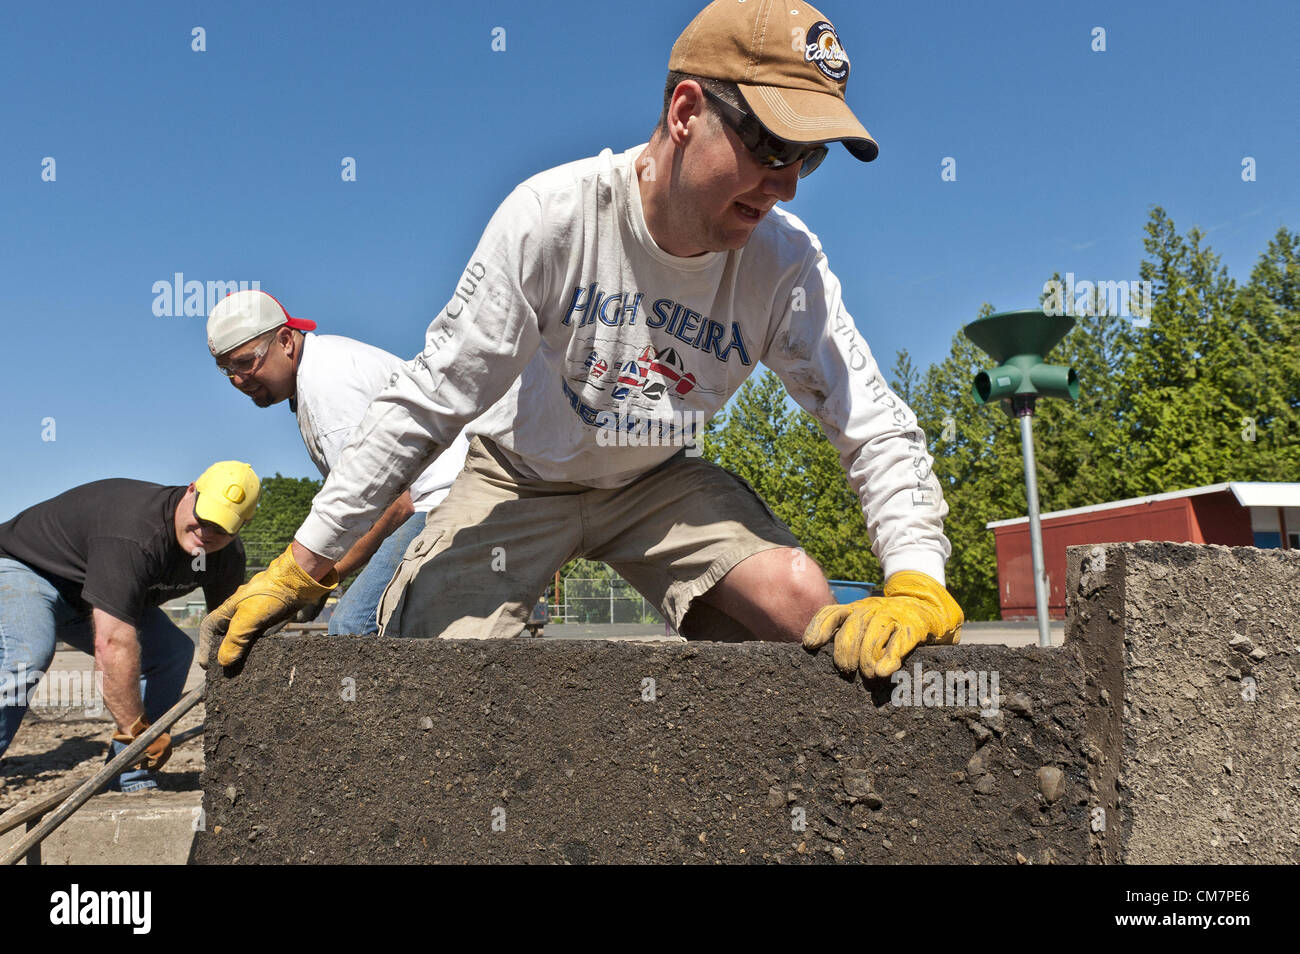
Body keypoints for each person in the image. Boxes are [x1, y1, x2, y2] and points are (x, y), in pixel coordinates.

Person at [203, 0, 964, 680]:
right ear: (686, 110)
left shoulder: (784, 263)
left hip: (657, 482)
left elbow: (873, 424)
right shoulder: (553, 220)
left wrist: (917, 578)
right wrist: (304, 564)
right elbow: (434, 396)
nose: (789, 182)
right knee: (431, 673)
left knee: (798, 600)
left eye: (811, 156)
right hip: (518, 476)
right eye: (771, 146)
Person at [205, 290, 470, 635]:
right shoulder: (320, 367)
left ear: (285, 340)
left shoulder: (327, 389)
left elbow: (391, 505)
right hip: (432, 498)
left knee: (351, 627)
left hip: (439, 499)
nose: (238, 379)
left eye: (245, 362)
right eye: (227, 368)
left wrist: (316, 578)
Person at [0, 462, 257, 792]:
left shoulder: (225, 556)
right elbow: (112, 646)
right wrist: (138, 733)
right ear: (191, 490)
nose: (206, 533)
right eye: (203, 518)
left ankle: (129, 777)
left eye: (221, 529)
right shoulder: (135, 532)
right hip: (25, 568)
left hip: (86, 597)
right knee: (28, 657)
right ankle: (135, 752)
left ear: (241, 526)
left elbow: (230, 633)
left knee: (172, 652)